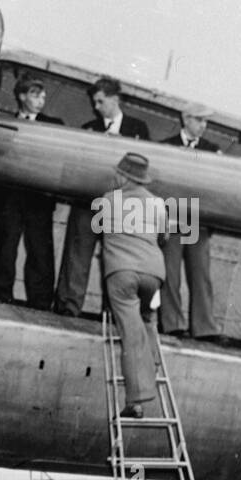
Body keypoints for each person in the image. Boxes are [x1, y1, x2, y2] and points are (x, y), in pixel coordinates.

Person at [55, 77, 151, 316]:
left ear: (115, 99)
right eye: (94, 102)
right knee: (77, 256)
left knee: (118, 262)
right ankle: (68, 306)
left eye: (100, 101)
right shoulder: (89, 129)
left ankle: (114, 311)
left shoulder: (139, 130)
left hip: (121, 208)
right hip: (89, 203)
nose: (95, 107)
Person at [97, 153, 166, 419]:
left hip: (122, 272)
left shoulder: (109, 199)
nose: (115, 176)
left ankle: (136, 400)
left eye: (118, 173)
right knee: (148, 320)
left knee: (130, 331)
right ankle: (154, 367)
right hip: (153, 274)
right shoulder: (159, 204)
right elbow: (164, 235)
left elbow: (102, 228)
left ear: (125, 177)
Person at [0, 77, 63, 309]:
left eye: (42, 96)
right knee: (5, 247)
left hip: (38, 198)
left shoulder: (54, 125)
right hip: (8, 198)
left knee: (40, 251)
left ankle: (40, 302)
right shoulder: (6, 123)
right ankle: (0, 295)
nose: (41, 101)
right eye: (35, 95)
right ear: (21, 96)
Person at [159, 102, 223, 342]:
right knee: (169, 274)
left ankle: (205, 327)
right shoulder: (166, 147)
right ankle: (172, 323)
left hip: (197, 221)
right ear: (185, 119)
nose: (203, 126)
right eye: (198, 120)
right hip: (173, 218)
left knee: (201, 275)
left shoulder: (213, 151)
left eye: (205, 121)